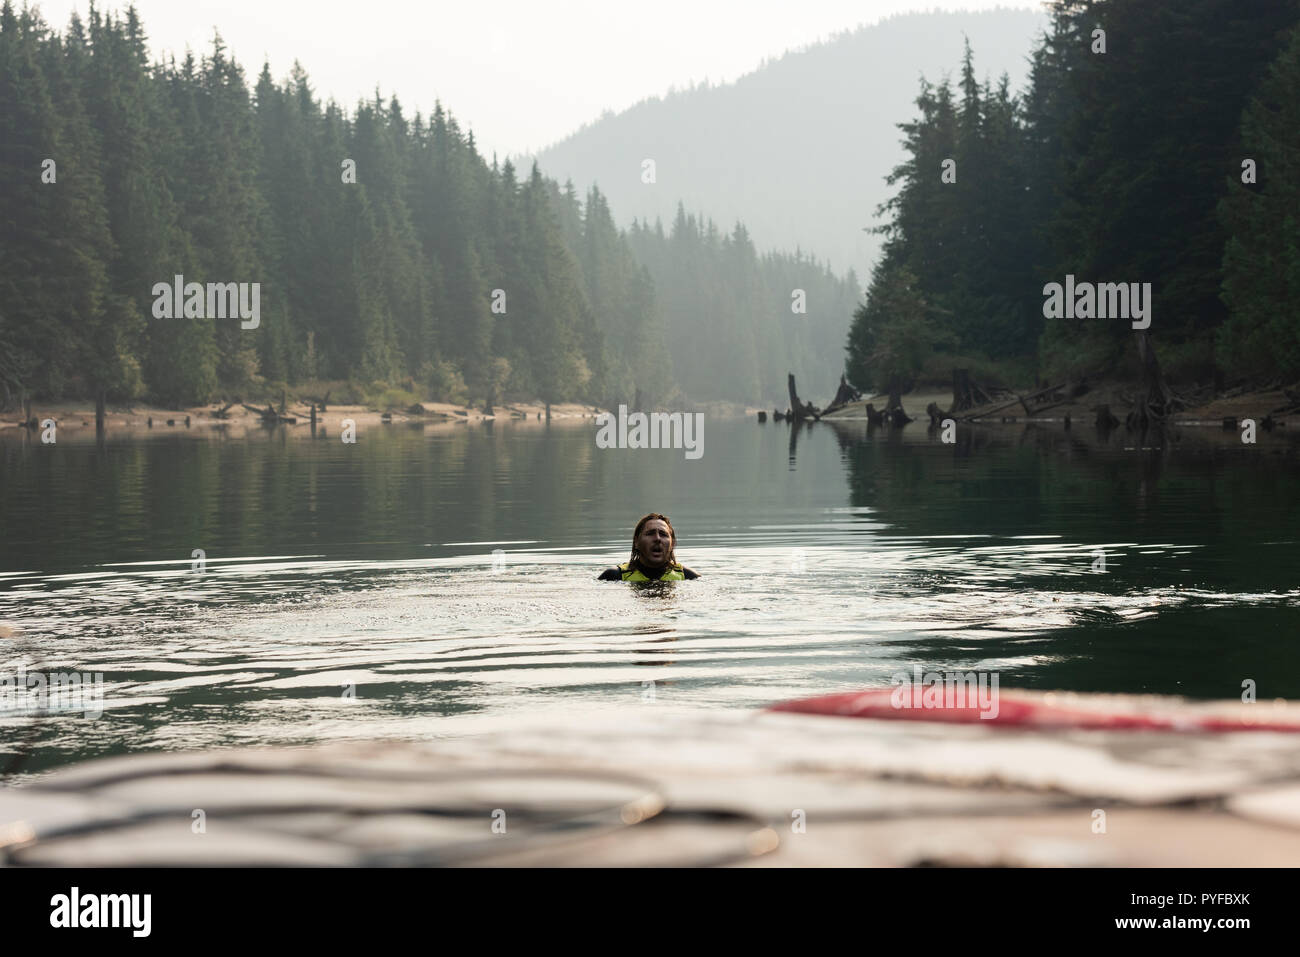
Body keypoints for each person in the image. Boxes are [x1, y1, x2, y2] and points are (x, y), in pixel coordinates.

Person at [598, 513, 700, 581]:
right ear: (636, 542)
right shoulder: (614, 576)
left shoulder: (688, 577)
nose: (657, 539)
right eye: (650, 534)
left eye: (663, 534)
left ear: (672, 544)